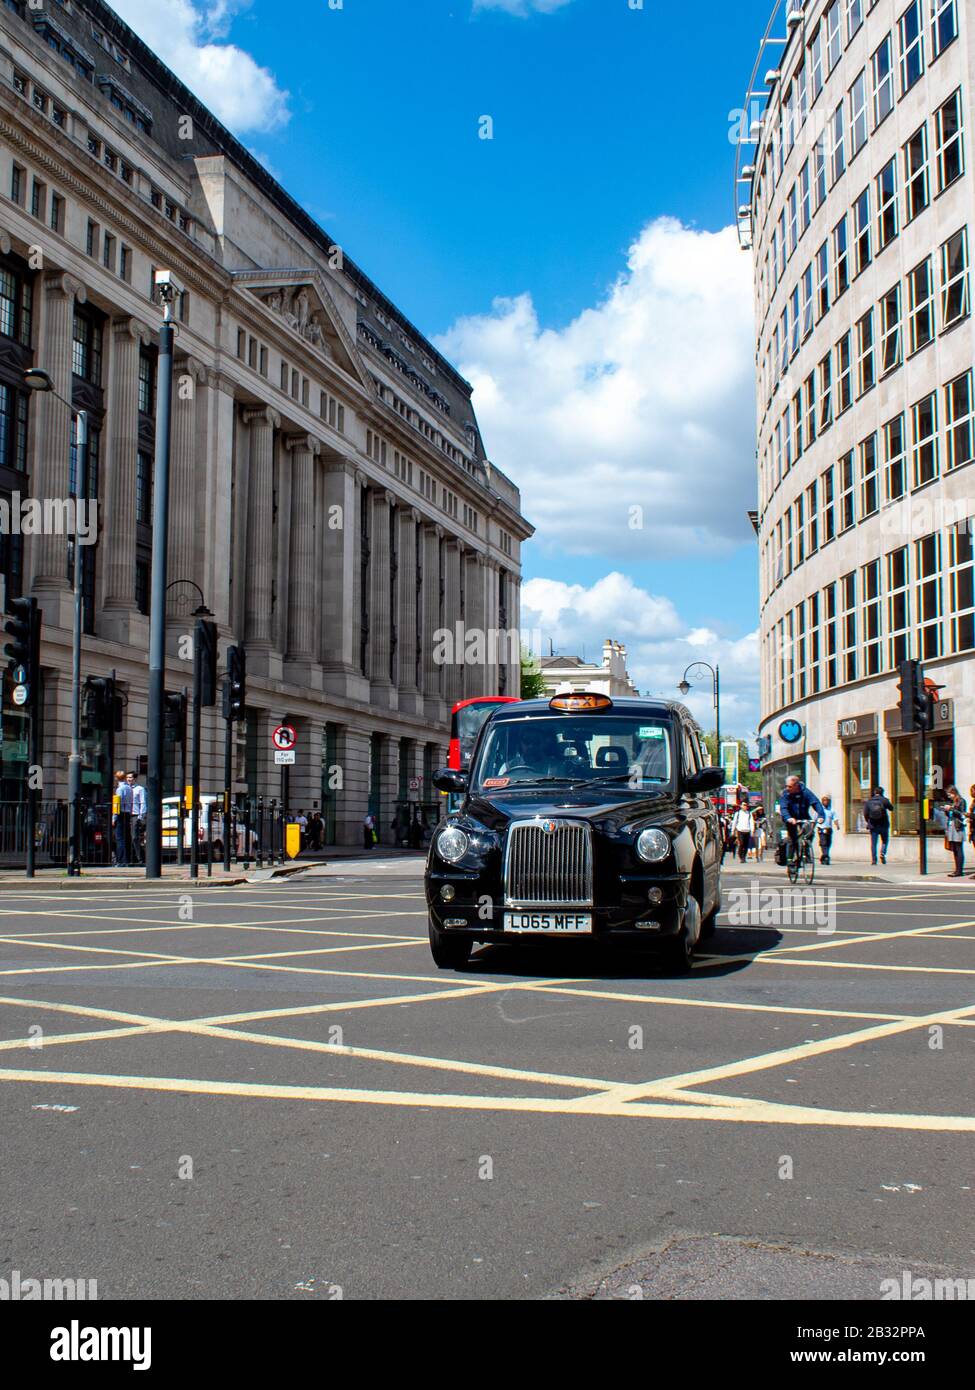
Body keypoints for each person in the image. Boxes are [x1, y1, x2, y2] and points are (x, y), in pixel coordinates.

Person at [778, 775, 826, 864]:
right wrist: (788, 818)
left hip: (804, 816)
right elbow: (783, 808)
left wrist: (821, 816)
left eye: (790, 786)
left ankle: (805, 850)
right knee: (793, 838)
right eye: (787, 786)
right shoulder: (785, 794)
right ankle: (790, 860)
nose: (787, 788)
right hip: (790, 818)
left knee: (810, 832)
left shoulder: (805, 792)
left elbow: (816, 803)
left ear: (796, 785)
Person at [498, 727, 565, 780]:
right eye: (527, 741)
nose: (531, 746)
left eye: (536, 741)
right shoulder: (507, 767)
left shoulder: (555, 767)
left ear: (543, 743)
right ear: (520, 743)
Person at [862, 785, 894, 866]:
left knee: (873, 843)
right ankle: (882, 853)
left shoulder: (869, 801)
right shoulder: (884, 800)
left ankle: (873, 860)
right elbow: (891, 808)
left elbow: (865, 813)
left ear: (874, 792)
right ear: (882, 793)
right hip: (883, 824)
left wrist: (868, 821)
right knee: (885, 840)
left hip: (873, 825)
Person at [944, 785, 967, 876]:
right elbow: (950, 814)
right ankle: (957, 869)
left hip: (958, 826)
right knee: (954, 849)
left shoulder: (961, 801)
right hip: (951, 826)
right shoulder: (953, 802)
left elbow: (962, 813)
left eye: (950, 794)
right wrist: (946, 810)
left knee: (958, 848)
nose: (949, 796)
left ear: (954, 792)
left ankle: (959, 870)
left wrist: (951, 809)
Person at [113, 770, 133, 867]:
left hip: (121, 814)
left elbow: (117, 804)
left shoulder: (119, 789)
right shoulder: (129, 788)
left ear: (116, 778)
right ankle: (127, 860)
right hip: (127, 813)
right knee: (126, 837)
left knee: (119, 838)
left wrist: (114, 818)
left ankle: (121, 861)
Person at [127, 772, 147, 865]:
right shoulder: (126, 788)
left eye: (130, 777)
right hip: (126, 814)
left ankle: (140, 858)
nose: (128, 779)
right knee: (128, 837)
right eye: (127, 777)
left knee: (135, 837)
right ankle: (130, 858)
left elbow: (143, 802)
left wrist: (140, 816)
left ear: (135, 778)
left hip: (135, 815)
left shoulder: (140, 789)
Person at [817, 794, 841, 865]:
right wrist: (812, 828)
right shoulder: (819, 810)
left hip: (828, 829)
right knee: (823, 843)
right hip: (821, 828)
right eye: (824, 800)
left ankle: (823, 856)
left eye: (827, 800)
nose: (825, 802)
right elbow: (815, 819)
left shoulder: (831, 810)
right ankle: (826, 856)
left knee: (828, 843)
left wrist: (837, 825)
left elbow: (835, 818)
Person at [731, 798, 753, 862]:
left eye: (746, 805)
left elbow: (751, 822)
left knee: (746, 845)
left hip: (747, 831)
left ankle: (744, 857)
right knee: (741, 843)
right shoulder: (738, 813)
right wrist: (732, 831)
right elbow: (734, 822)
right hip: (740, 830)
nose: (745, 806)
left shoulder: (749, 813)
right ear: (741, 806)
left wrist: (752, 830)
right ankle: (740, 856)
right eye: (744, 805)